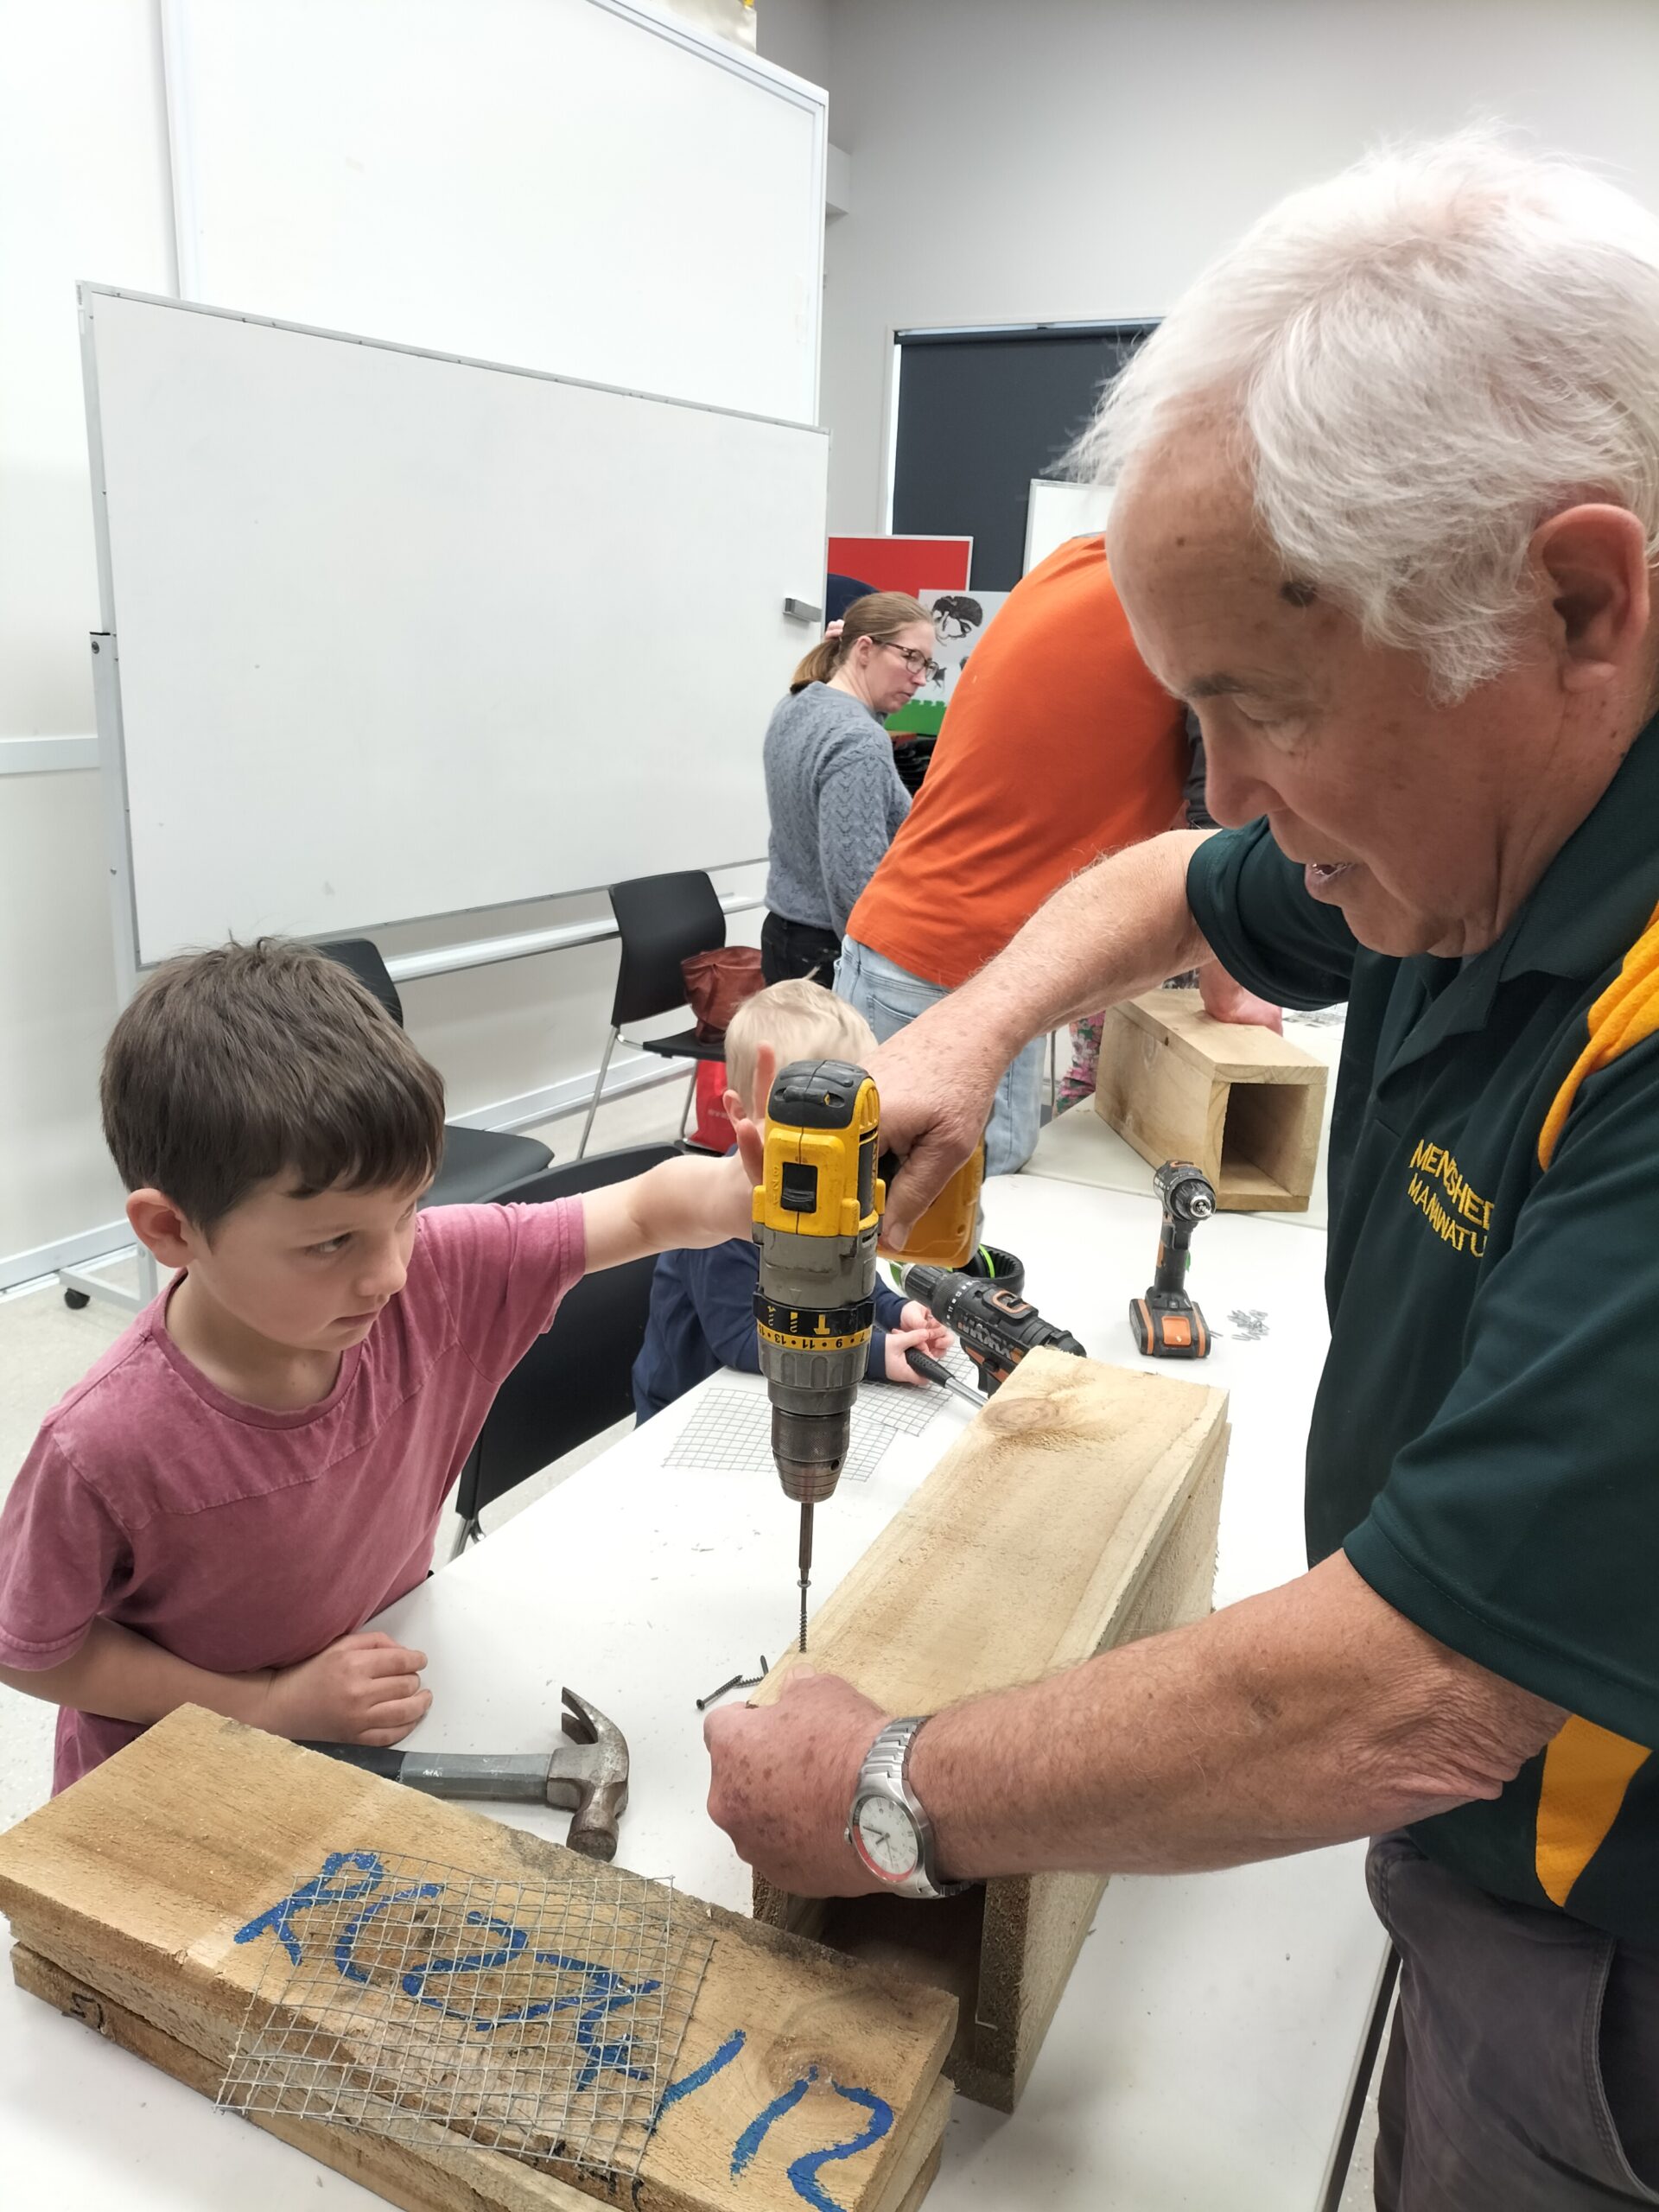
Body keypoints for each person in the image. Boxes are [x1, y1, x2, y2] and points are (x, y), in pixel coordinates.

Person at [706, 134, 1659, 2206]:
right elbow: (1166, 877)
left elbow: (1417, 1695)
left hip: (1608, 1962)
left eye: (1266, 710)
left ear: (1579, 603)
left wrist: (885, 1787)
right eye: (1190, 709)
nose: (1230, 792)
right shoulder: (1488, 824)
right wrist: (956, 1029)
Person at [0, 938, 757, 1794]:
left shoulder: (432, 1273)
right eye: (331, 1242)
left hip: (360, 1734)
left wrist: (738, 1194)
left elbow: (646, 1211)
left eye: (408, 1211)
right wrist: (268, 1705)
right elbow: (30, 1648)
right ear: (172, 1231)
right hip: (174, 1788)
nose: (391, 1271)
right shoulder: (103, 1442)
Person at [838, 542, 1273, 1175]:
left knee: (962, 1193)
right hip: (950, 964)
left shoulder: (1083, 562)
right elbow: (1221, 826)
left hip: (959, 955)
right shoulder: (1213, 594)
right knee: (937, 1214)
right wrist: (1234, 990)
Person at [632, 979, 951, 1420]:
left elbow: (848, 1278)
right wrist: (876, 1354)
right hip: (688, 1406)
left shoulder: (840, 1187)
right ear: (744, 1116)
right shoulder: (718, 1219)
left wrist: (897, 1311)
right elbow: (740, 1337)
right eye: (812, 1124)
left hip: (776, 1386)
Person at [760, 593, 931, 987]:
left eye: (927, 663)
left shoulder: (795, 704)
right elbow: (854, 882)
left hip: (782, 936)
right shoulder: (860, 739)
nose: (921, 677)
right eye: (911, 657)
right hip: (830, 954)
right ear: (865, 649)